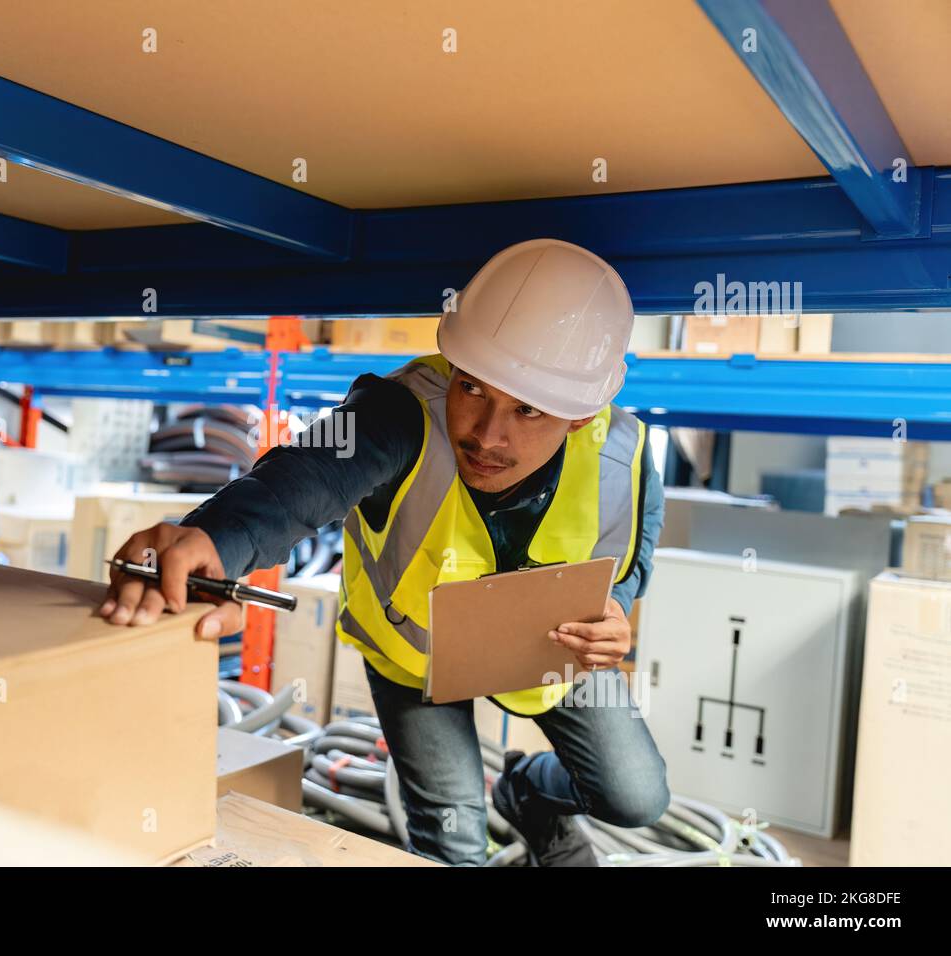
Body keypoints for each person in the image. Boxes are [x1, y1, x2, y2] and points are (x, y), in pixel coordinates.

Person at [100, 238, 669, 866]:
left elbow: (628, 550)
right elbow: (301, 480)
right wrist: (212, 537)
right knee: (453, 842)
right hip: (413, 659)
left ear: (581, 417)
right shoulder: (396, 412)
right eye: (473, 388)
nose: (484, 434)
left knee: (636, 796)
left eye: (527, 410)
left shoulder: (625, 453)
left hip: (546, 654)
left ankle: (526, 792)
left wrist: (614, 607)